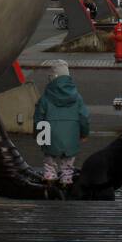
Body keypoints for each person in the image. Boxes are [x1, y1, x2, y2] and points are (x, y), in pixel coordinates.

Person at [33, 60, 89, 191]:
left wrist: (38, 135)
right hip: (71, 134)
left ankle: (50, 178)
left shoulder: (45, 97)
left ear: (52, 78)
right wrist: (84, 133)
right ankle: (66, 180)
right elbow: (84, 117)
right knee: (68, 162)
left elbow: (38, 118)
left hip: (49, 134)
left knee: (49, 160)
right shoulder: (77, 97)